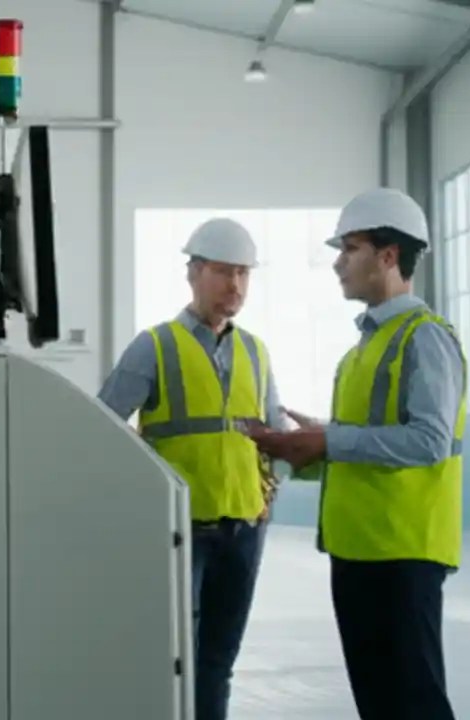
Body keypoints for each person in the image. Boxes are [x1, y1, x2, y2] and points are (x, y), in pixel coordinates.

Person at [249, 188, 465, 720]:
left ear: (388, 256)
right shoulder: (360, 350)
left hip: (403, 553)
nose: (338, 263)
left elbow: (429, 440)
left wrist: (328, 439)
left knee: (414, 705)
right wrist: (304, 446)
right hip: (358, 550)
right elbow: (361, 444)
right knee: (381, 705)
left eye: (349, 249)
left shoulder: (425, 338)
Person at [98, 217, 285, 720]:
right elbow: (103, 426)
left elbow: (275, 435)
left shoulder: (256, 352)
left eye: (244, 274)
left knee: (219, 661)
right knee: (173, 659)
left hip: (244, 528)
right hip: (181, 531)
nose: (235, 285)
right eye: (224, 272)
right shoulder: (154, 347)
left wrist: (272, 491)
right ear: (193, 273)